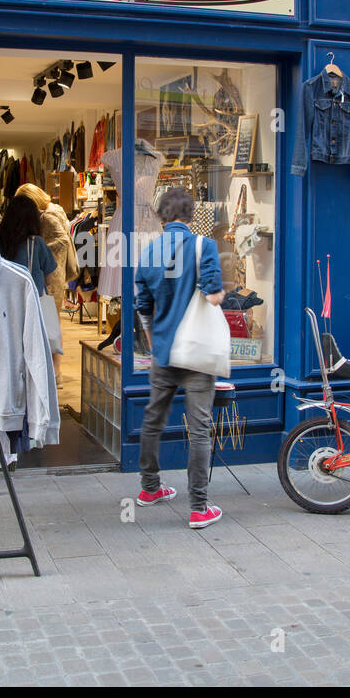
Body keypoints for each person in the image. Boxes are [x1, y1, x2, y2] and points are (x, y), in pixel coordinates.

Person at [133, 187, 225, 529]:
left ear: (161, 216)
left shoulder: (149, 252)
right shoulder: (204, 246)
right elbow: (213, 295)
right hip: (198, 353)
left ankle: (149, 489)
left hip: (163, 352)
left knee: (153, 419)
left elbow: (142, 305)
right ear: (191, 215)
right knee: (200, 428)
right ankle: (199, 507)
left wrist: (155, 337)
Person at [14, 183, 77, 382]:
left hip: (51, 272)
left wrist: (38, 248)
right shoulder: (53, 210)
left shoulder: (47, 215)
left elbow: (62, 240)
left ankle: (55, 370)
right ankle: (53, 369)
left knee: (51, 320)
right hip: (52, 271)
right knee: (52, 320)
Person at [0, 193, 57, 314]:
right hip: (32, 302)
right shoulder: (36, 244)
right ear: (33, 219)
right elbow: (50, 276)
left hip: (5, 303)